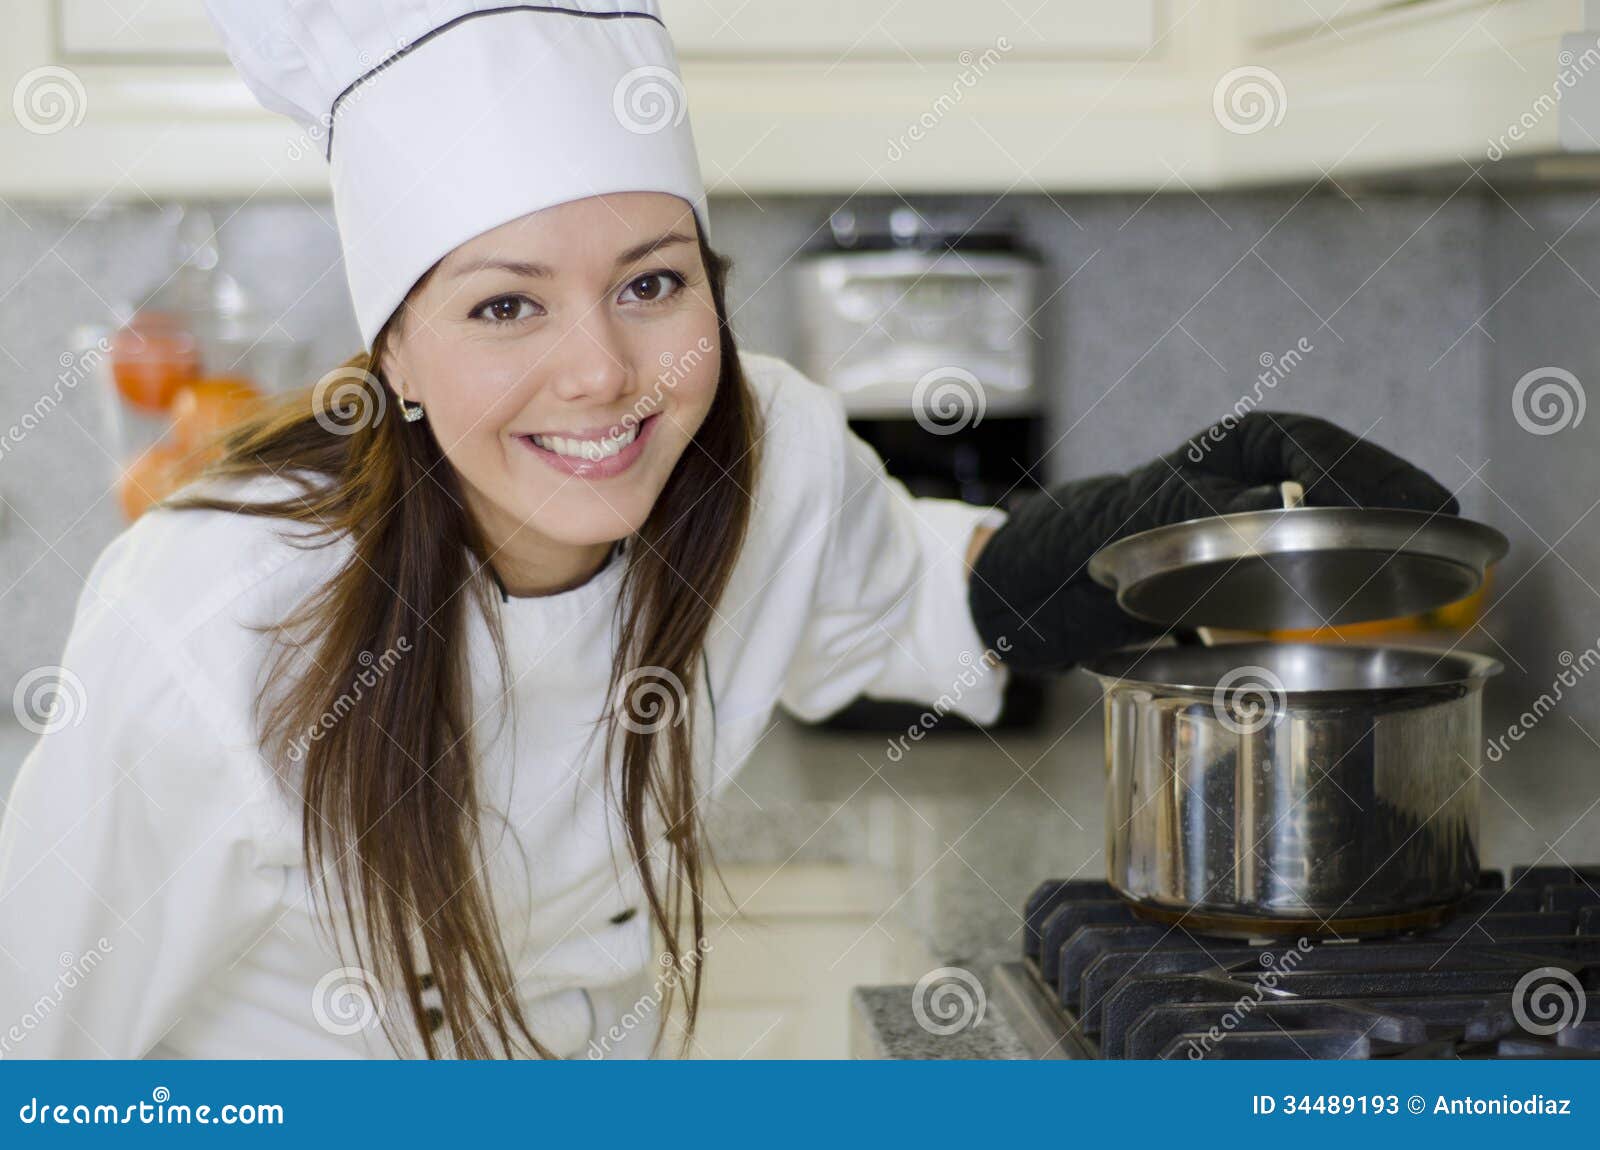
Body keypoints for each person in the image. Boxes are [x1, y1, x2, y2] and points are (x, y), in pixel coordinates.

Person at [0, 0, 1456, 1060]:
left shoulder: (757, 457)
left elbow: (935, 593)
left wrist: (1175, 528)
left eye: (652, 282)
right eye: (507, 303)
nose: (603, 373)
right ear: (398, 357)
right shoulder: (213, 619)